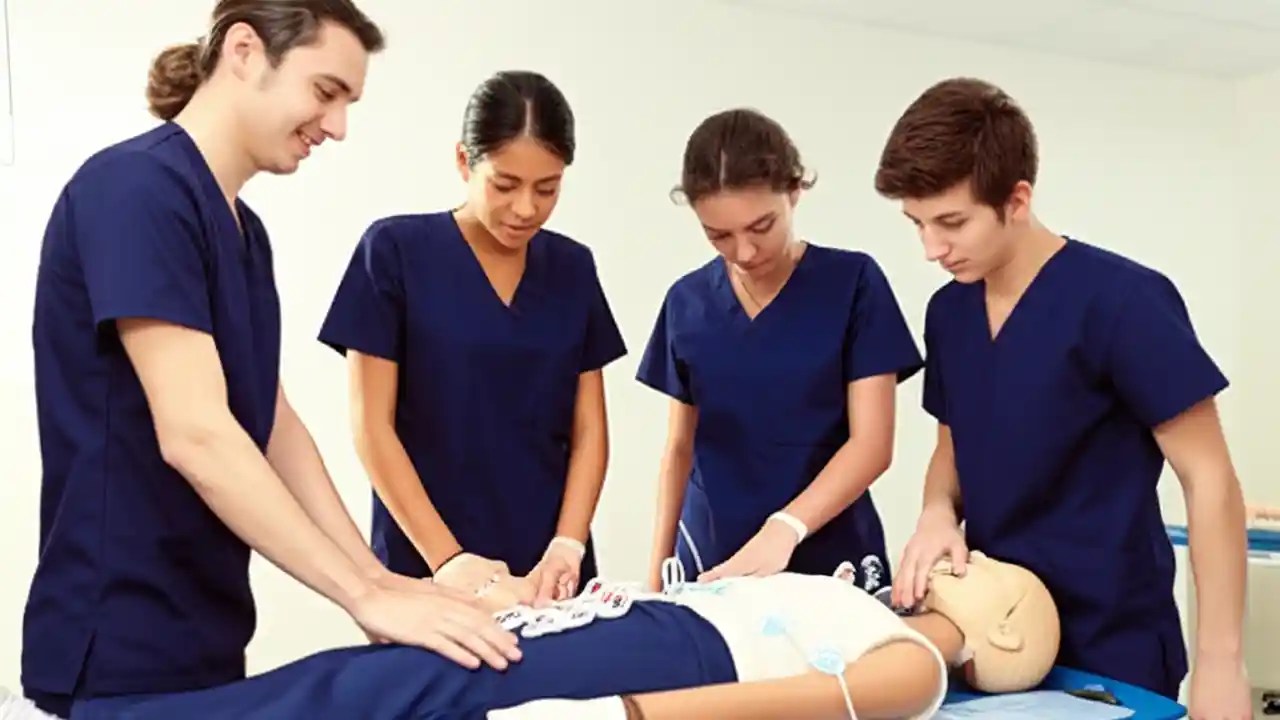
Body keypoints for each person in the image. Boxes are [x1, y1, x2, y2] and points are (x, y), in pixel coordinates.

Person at [21, 2, 522, 717]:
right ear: (245, 51)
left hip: (206, 631)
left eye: (348, 102)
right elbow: (196, 434)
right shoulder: (134, 191)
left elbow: (273, 423)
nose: (339, 126)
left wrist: (376, 579)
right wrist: (365, 595)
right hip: (119, 637)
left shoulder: (244, 233)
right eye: (325, 92)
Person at [875, 77, 1253, 719]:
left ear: (1016, 199)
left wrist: (1221, 662)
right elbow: (952, 445)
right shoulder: (949, 312)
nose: (932, 249)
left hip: (1111, 645)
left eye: (952, 223)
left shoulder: (1124, 302)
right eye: (917, 224)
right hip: (993, 635)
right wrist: (937, 512)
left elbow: (1209, 476)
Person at [318, 70, 627, 606]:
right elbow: (372, 427)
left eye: (547, 188)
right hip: (428, 563)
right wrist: (451, 562)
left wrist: (569, 544)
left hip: (548, 572)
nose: (527, 208)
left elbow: (590, 430)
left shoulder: (572, 268)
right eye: (505, 185)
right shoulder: (394, 252)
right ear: (464, 161)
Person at [38, 567, 968, 720]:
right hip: (648, 622)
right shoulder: (847, 586)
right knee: (381, 677)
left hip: (681, 662)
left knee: (409, 692)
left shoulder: (911, 651)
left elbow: (834, 701)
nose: (960, 562)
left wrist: (628, 714)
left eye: (986, 574)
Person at [635, 108, 923, 593]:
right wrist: (656, 576)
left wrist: (786, 527)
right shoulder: (686, 303)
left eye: (761, 226)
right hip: (711, 554)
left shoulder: (853, 284)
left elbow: (872, 445)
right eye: (719, 235)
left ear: (795, 191)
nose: (744, 252)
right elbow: (680, 449)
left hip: (830, 555)